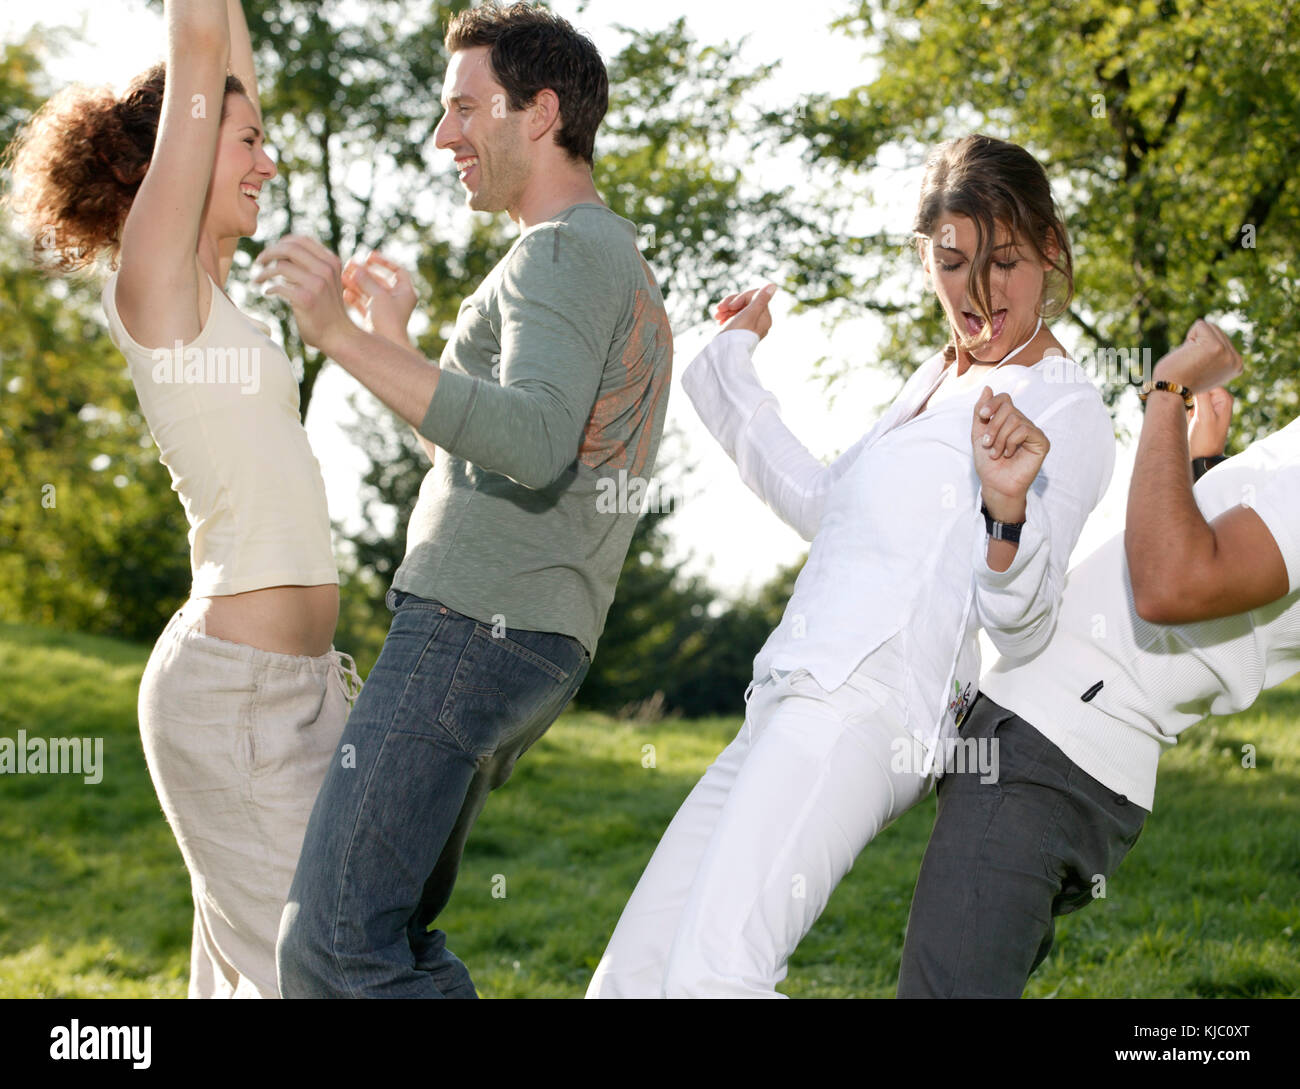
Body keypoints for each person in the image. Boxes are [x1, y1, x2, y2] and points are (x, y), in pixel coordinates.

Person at [586, 133, 1116, 999]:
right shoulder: (927, 381)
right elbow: (827, 507)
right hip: (791, 688)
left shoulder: (1067, 408)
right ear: (926, 258)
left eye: (1007, 261)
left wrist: (1008, 508)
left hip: (871, 704)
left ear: (1051, 247)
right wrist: (727, 366)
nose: (979, 293)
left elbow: (1024, 620)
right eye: (953, 263)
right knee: (635, 979)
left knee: (711, 977)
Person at [258, 1, 672, 998]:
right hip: (520, 632)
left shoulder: (563, 253)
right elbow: (484, 451)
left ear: (539, 112)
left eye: (462, 108)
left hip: (472, 629)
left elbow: (529, 445)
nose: (442, 136)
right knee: (392, 938)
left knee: (334, 945)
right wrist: (391, 339)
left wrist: (337, 338)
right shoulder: (594, 254)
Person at [3, 0, 358, 997]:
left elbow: (226, 55)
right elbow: (201, 47)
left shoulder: (211, 286)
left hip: (288, 692)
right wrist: (207, 66)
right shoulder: (156, 285)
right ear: (183, 150)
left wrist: (231, 66)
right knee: (314, 975)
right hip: (234, 700)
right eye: (247, 142)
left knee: (265, 977)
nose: (267, 163)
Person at [896, 322, 1269, 999]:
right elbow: (1222, 572)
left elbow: (1174, 581)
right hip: (1061, 751)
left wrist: (1167, 387)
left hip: (1050, 751)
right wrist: (1202, 463)